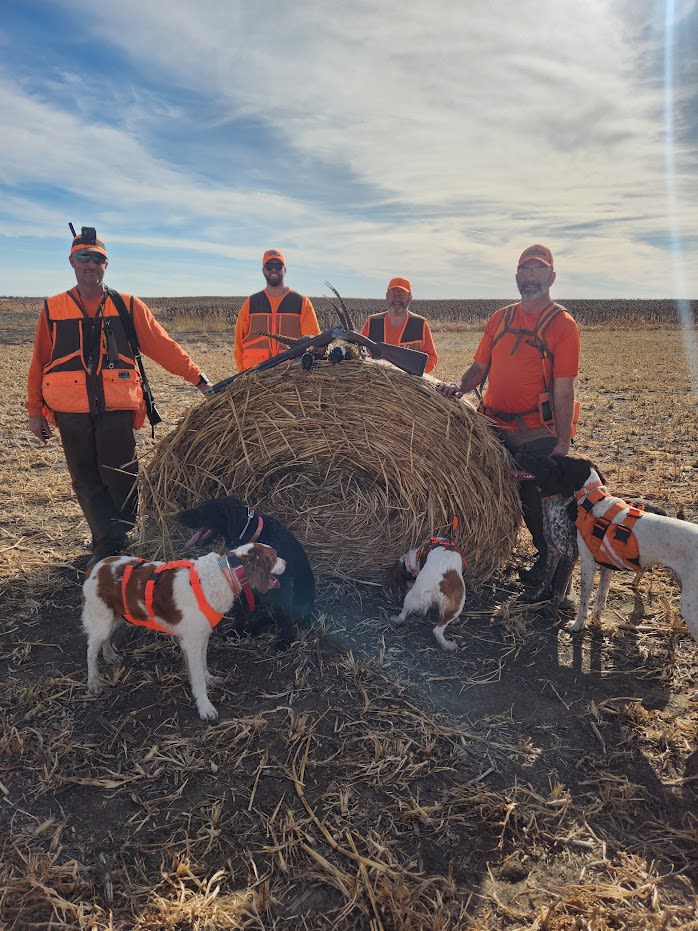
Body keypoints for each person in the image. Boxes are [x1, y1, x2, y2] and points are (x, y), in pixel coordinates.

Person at [25, 227, 212, 566]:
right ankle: (105, 544)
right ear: (72, 262)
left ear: (106, 265)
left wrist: (198, 379)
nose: (91, 264)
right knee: (85, 479)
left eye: (98, 259)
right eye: (84, 257)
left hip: (116, 407)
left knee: (120, 475)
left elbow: (163, 346)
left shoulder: (127, 305)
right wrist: (34, 412)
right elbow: (39, 360)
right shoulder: (53, 308)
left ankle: (121, 537)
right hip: (70, 410)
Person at [437, 244, 580, 587]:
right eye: (525, 271)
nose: (530, 278)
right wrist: (460, 386)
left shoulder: (562, 325)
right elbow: (480, 367)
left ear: (552, 277)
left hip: (536, 431)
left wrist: (562, 440)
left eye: (538, 271)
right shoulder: (499, 319)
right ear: (517, 277)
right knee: (482, 487)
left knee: (538, 501)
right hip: (492, 424)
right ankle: (480, 552)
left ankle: (552, 569)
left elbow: (564, 389)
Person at [233, 248, 320, 372]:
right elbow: (238, 346)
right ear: (263, 270)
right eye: (269, 266)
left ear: (285, 269)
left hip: (290, 377)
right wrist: (242, 374)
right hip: (253, 378)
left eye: (278, 266)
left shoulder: (301, 302)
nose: (273, 269)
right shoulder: (251, 303)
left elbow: (314, 345)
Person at [361, 277, 438, 373]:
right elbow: (359, 351)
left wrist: (415, 373)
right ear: (387, 296)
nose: (397, 298)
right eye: (393, 294)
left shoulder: (420, 324)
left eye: (401, 294)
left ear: (410, 298)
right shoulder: (372, 321)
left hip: (407, 383)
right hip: (376, 381)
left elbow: (432, 358)